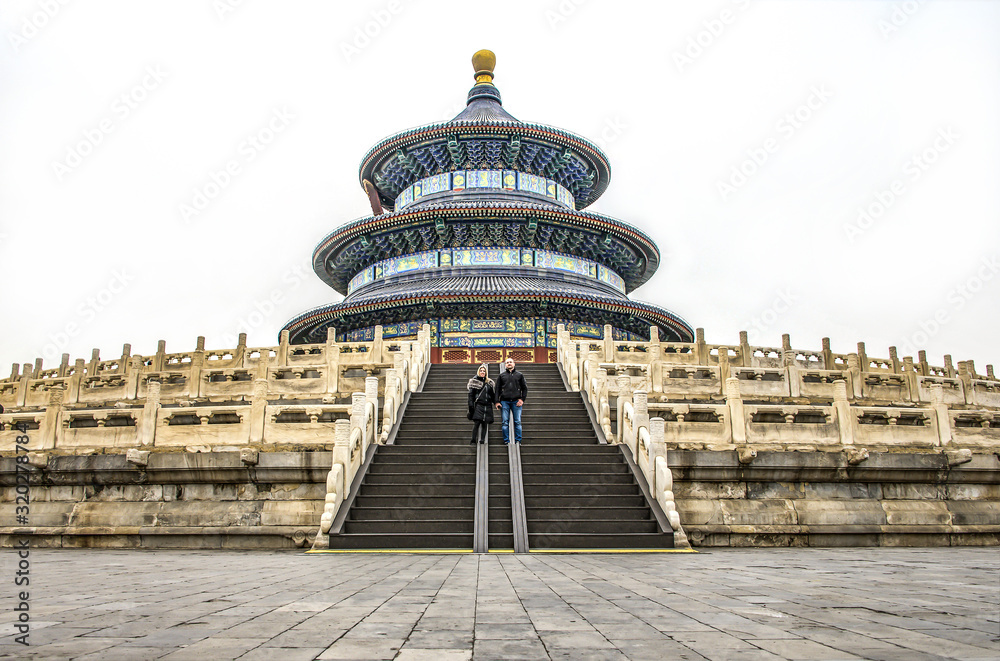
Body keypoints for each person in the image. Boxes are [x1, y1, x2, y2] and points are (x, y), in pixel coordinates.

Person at [495, 357, 527, 445]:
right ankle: (506, 440)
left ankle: (518, 441)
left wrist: (522, 399)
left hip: (516, 401)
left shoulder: (519, 375)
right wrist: (497, 401)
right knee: (505, 422)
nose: (509, 364)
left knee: (517, 421)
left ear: (514, 364)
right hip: (504, 401)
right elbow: (497, 389)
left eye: (510, 362)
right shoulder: (502, 376)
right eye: (507, 362)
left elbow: (524, 388)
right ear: (505, 365)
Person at [467, 363, 495, 445]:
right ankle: (473, 440)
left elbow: (492, 395)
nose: (482, 372)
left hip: (487, 405)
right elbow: (471, 395)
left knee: (485, 423)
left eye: (484, 371)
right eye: (481, 371)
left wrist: (496, 403)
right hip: (479, 404)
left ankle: (482, 440)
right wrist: (471, 406)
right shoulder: (474, 381)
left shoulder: (489, 383)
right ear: (478, 372)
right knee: (477, 422)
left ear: (486, 373)